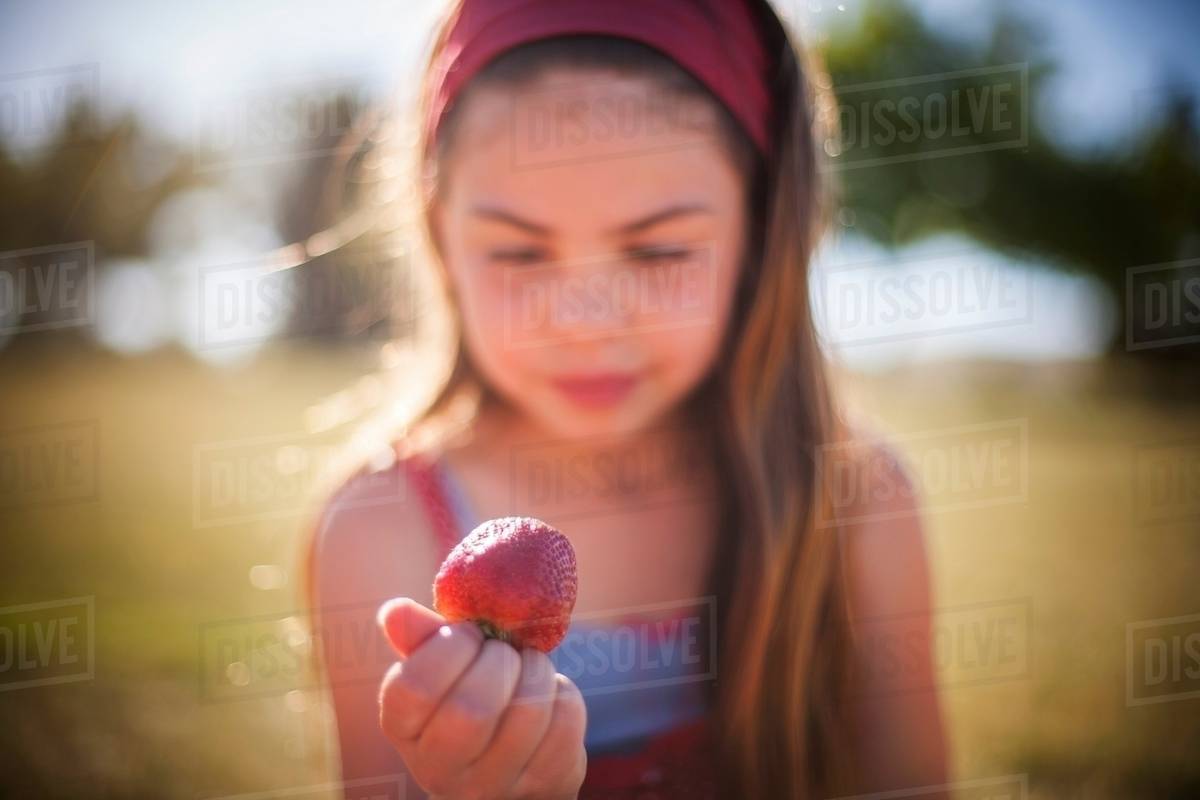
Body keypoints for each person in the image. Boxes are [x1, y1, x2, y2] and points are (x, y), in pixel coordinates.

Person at [306, 1, 948, 797]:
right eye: (518, 251)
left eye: (658, 251)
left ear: (761, 235)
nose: (583, 321)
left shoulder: (857, 501)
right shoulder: (381, 527)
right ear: (441, 238)